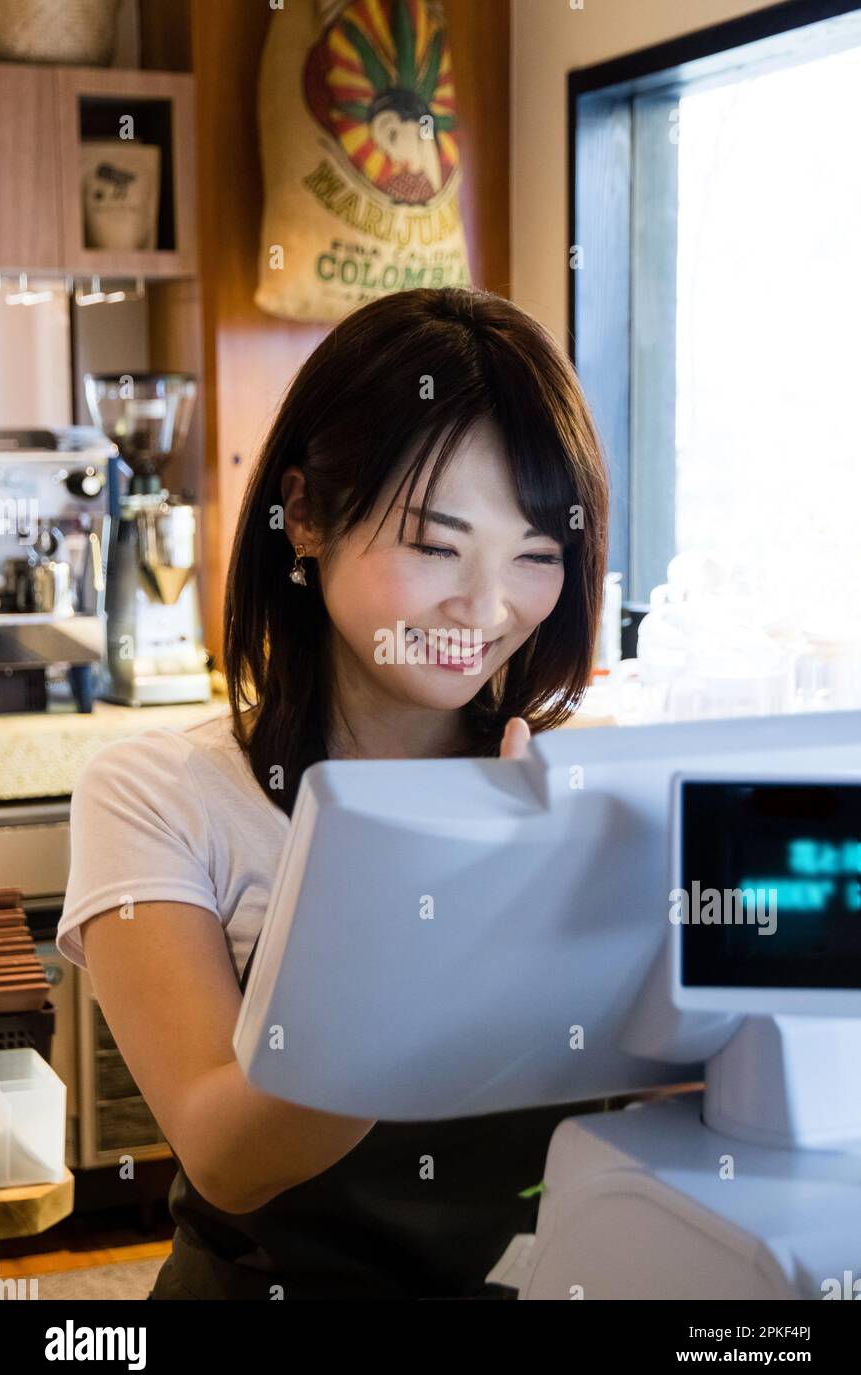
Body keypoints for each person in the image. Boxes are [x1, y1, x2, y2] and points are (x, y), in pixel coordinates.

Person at [56, 285, 610, 1299]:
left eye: (535, 554)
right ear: (303, 513)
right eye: (435, 544)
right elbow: (227, 1150)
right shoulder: (161, 795)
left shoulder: (576, 781)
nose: (486, 606)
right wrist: (458, 914)